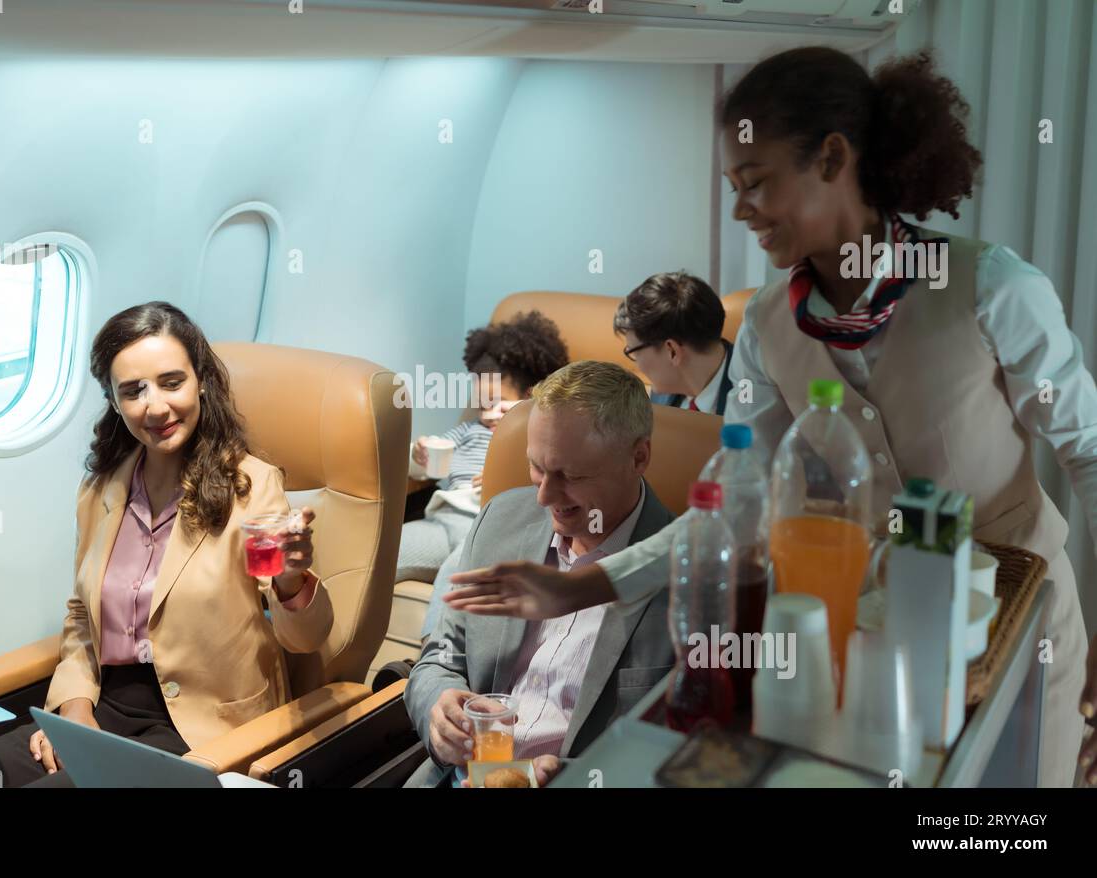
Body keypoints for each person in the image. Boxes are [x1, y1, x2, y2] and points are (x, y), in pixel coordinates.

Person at [447, 47, 1097, 788]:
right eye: (732, 188)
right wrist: (579, 586)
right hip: (873, 643)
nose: (740, 209)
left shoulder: (992, 288)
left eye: (755, 183)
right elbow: (731, 501)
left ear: (832, 158)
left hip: (1016, 634)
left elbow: (1090, 451)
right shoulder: (766, 325)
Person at [0, 302, 333, 787]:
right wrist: (73, 711)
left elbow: (306, 639)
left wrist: (290, 579)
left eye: (172, 382)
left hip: (198, 727)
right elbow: (80, 618)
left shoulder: (251, 486)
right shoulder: (102, 489)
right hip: (102, 706)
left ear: (201, 381)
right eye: (133, 391)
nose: (155, 407)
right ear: (113, 401)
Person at [404, 361, 675, 787]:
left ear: (638, 457)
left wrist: (569, 777)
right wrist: (438, 706)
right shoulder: (501, 518)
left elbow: (685, 747)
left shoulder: (689, 572)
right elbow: (440, 656)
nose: (545, 496)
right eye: (537, 468)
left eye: (571, 475)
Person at [398, 311, 568, 621]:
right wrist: (418, 455)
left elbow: (543, 479)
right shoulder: (469, 430)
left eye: (498, 403)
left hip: (485, 526)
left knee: (455, 573)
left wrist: (520, 419)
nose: (487, 414)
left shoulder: (533, 437)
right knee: (385, 554)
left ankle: (433, 659)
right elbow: (423, 462)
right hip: (441, 520)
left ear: (529, 397)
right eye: (481, 404)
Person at [616, 271, 734, 415]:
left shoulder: (755, 399)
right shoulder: (665, 386)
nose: (637, 366)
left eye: (633, 352)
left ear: (672, 351)